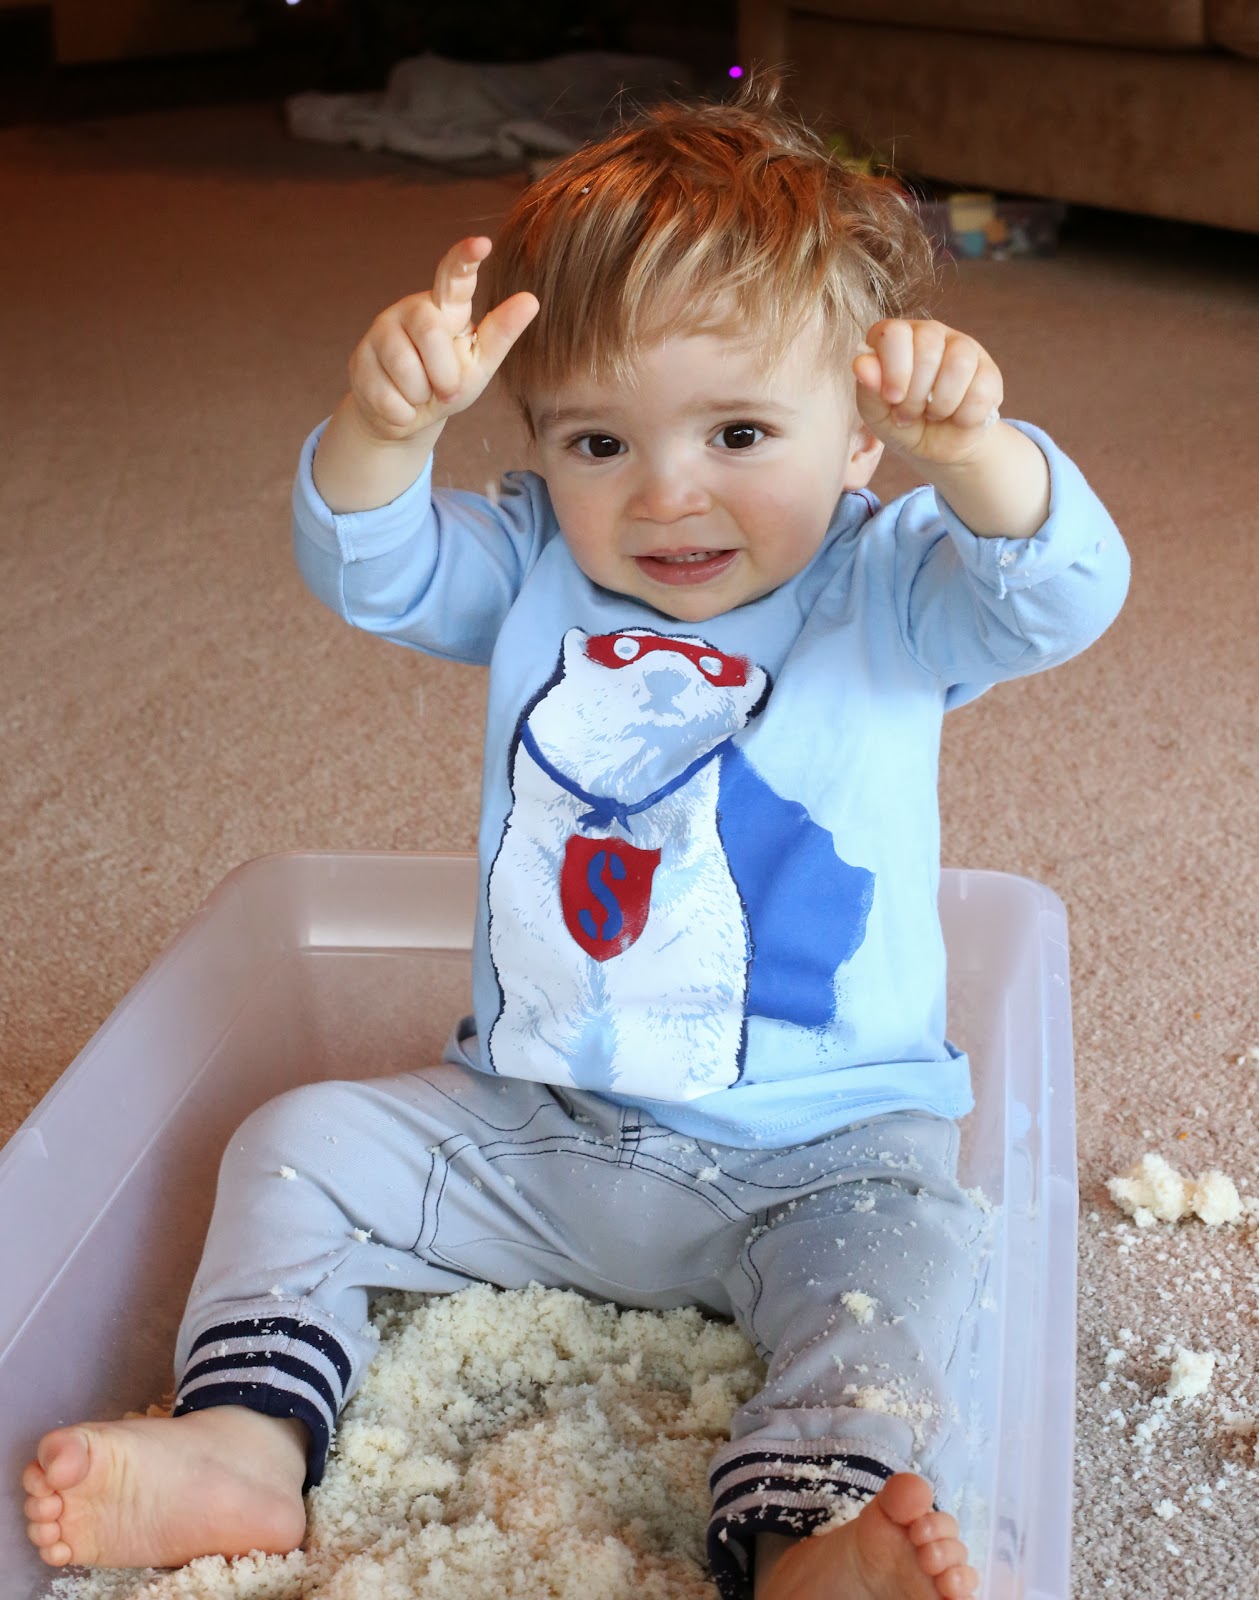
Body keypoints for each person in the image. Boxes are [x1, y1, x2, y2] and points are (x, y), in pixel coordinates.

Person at [23, 80, 1128, 1600]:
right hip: (541, 1125)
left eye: (741, 432)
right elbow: (370, 563)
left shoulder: (895, 585)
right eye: (600, 440)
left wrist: (987, 452)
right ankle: (247, 1441)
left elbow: (1062, 593)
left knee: (917, 1267)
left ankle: (800, 1536)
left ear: (863, 436)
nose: (669, 493)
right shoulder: (537, 564)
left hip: (819, 1153)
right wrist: (382, 429)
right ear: (539, 444)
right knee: (295, 1144)